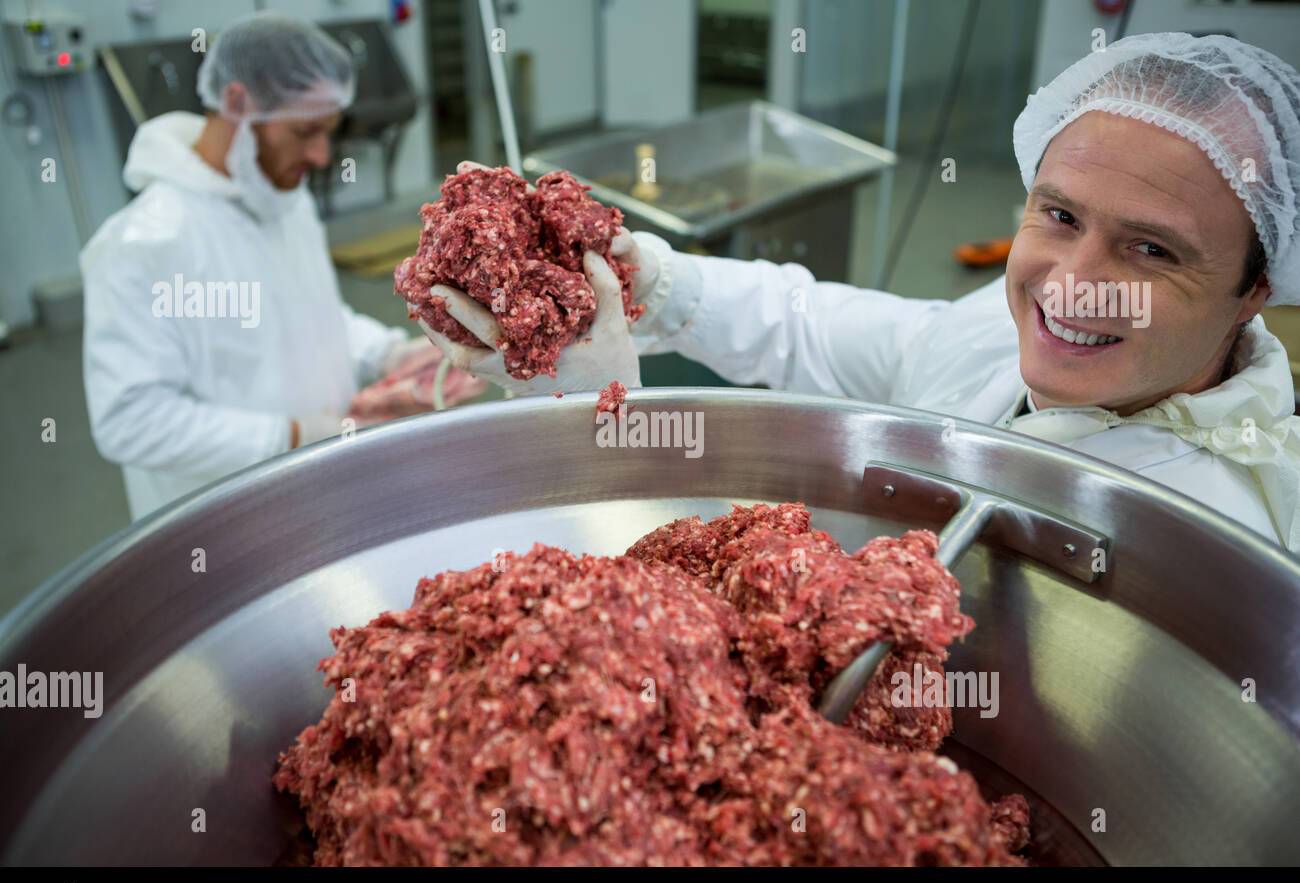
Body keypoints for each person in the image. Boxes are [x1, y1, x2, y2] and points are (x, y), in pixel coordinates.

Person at [431, 32, 1300, 553]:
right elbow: (813, 326)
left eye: (1150, 250)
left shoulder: (1202, 529)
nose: (1073, 289)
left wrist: (601, 418)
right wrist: (651, 278)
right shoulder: (993, 339)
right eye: (1061, 215)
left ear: (1255, 288)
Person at [82, 11, 443, 522]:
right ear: (237, 104)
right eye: (305, 132)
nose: (321, 155)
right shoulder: (145, 243)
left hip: (324, 487)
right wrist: (290, 436)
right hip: (223, 526)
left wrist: (385, 355)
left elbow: (309, 312)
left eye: (328, 133)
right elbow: (131, 419)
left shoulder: (282, 199)